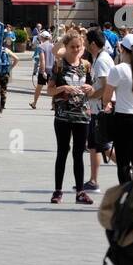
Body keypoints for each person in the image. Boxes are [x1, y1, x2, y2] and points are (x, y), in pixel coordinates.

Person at [48, 32, 94, 204]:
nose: (76, 50)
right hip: (63, 116)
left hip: (82, 115)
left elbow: (93, 92)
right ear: (65, 48)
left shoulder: (87, 65)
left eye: (79, 47)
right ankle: (58, 191)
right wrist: (64, 88)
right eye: (72, 47)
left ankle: (80, 192)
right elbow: (50, 91)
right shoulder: (59, 65)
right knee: (62, 152)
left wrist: (91, 89)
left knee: (78, 154)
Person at [103, 34, 133, 184]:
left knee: (123, 161)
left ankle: (126, 195)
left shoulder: (117, 70)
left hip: (124, 118)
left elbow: (106, 97)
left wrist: (111, 102)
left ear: (122, 49)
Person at [84, 28, 114, 192]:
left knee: (104, 146)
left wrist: (92, 95)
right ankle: (93, 181)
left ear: (93, 44)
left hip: (101, 109)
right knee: (95, 145)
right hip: (97, 109)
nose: (85, 44)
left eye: (87, 41)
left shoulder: (102, 60)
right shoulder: (99, 58)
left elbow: (105, 86)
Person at [0, 44, 19, 118]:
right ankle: (0, 111)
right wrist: (10, 68)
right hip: (4, 74)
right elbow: (17, 59)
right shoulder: (6, 50)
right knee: (3, 92)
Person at [30, 31, 54, 110]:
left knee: (39, 87)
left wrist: (43, 71)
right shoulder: (53, 46)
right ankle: (53, 105)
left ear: (42, 38)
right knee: (52, 87)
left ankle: (34, 103)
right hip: (52, 69)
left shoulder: (41, 46)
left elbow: (42, 60)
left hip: (44, 69)